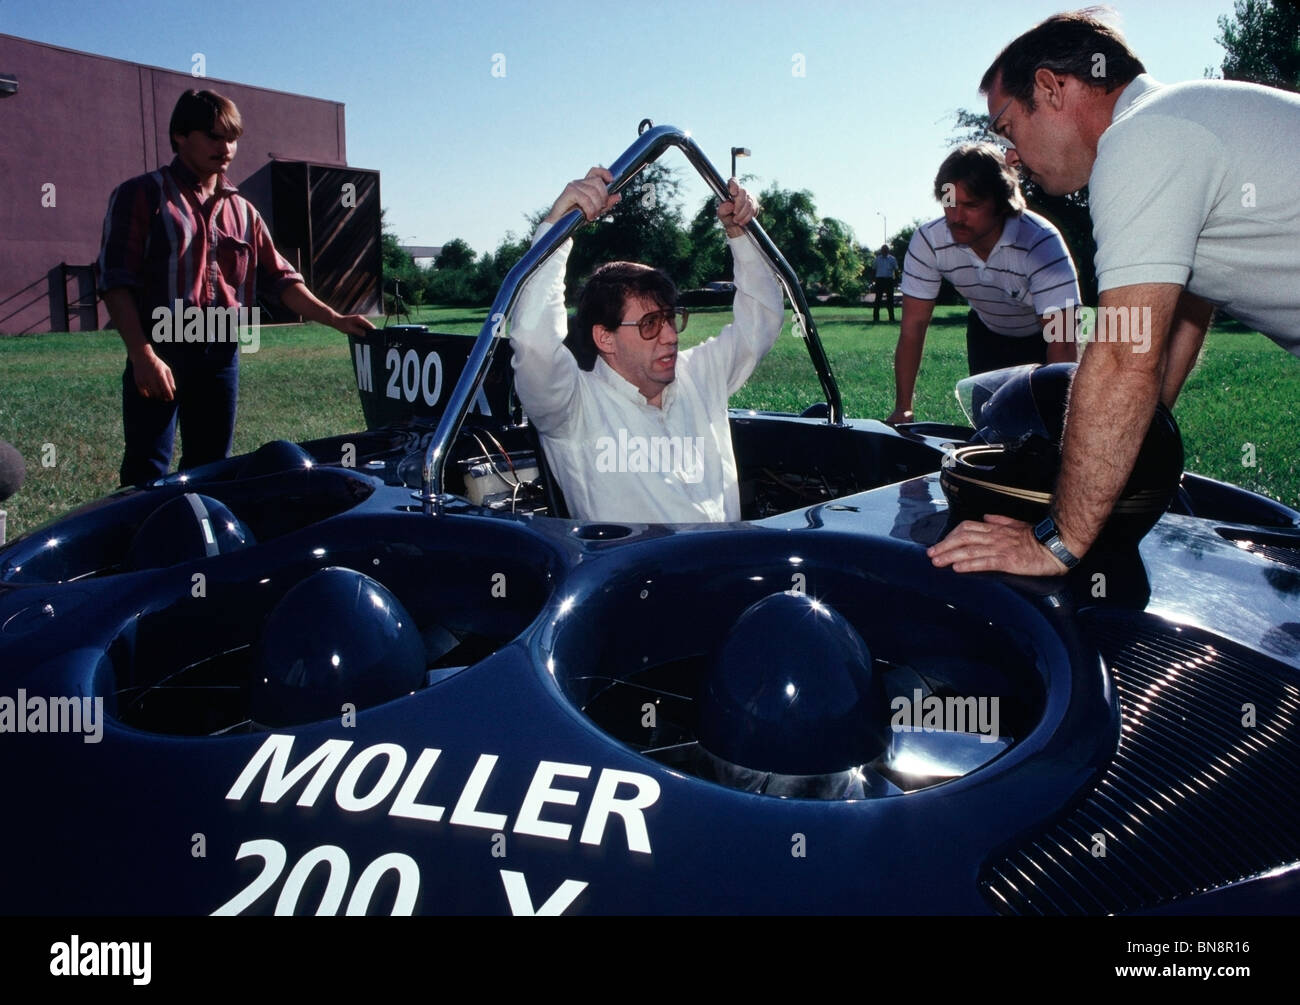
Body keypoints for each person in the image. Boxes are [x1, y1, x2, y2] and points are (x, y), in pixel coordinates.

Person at [930, 9, 1300, 576]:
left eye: (1007, 129)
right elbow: (1183, 315)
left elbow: (1127, 354)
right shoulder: (1184, 116)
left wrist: (1057, 541)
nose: (1013, 160)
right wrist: (1129, 452)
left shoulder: (1141, 139)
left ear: (1051, 88)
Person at [97, 89, 373, 487]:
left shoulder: (243, 210)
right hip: (162, 344)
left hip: (221, 350)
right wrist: (142, 355)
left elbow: (281, 279)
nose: (226, 148)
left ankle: (203, 542)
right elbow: (115, 281)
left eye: (232, 138)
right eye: (213, 136)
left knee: (211, 467)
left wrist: (334, 318)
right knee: (146, 467)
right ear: (179, 136)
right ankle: (134, 543)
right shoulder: (142, 195)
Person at [509, 167, 783, 523]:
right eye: (650, 324)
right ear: (604, 337)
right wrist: (557, 229)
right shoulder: (573, 408)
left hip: (727, 568)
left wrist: (741, 233)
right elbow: (534, 343)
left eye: (670, 318)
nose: (670, 335)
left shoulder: (699, 374)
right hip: (638, 577)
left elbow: (761, 321)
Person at [886, 143, 1079, 426]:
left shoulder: (1041, 243)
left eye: (971, 205)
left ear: (1002, 204)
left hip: (1043, 340)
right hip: (987, 334)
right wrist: (903, 407)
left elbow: (1062, 340)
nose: (956, 217)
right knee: (991, 428)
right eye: (949, 203)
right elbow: (913, 327)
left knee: (1041, 432)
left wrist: (1055, 424)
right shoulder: (929, 241)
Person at [871, 244, 898, 323]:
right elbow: (873, 270)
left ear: (888, 250)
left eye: (886, 250)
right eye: (883, 250)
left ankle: (891, 318)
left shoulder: (892, 259)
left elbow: (896, 270)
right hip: (879, 280)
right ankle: (876, 318)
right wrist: (873, 281)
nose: (884, 251)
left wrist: (896, 280)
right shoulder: (877, 259)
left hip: (889, 280)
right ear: (881, 251)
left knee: (890, 300)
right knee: (878, 300)